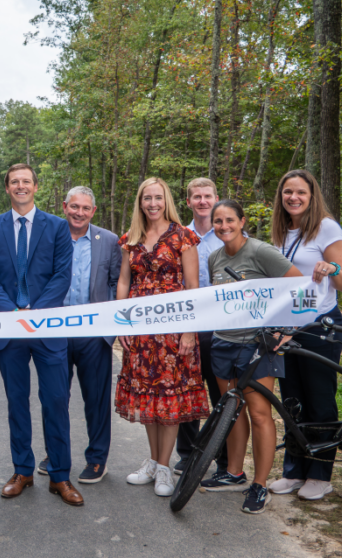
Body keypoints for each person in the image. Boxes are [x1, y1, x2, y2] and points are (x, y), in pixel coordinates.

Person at [0, 163, 82, 506]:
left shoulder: (56, 226)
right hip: (10, 330)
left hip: (47, 328)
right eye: (14, 182)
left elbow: (62, 276)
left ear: (36, 187)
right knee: (16, 403)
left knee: (55, 401)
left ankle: (60, 476)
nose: (20, 186)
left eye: (26, 181)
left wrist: (34, 314)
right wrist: (12, 314)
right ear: (7, 188)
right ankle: (22, 470)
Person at [197, 200, 304, 514]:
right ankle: (234, 473)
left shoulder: (260, 252)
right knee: (231, 409)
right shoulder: (215, 257)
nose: (223, 226)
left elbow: (299, 286)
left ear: (242, 221)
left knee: (259, 414)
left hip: (257, 346)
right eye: (218, 221)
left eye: (229, 219)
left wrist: (287, 329)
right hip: (223, 343)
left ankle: (260, 485)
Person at [117, 177, 209, 498]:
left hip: (174, 330)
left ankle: (165, 467)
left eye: (158, 197)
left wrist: (189, 330)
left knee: (168, 399)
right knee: (147, 397)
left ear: (165, 200)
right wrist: (121, 325)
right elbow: (123, 284)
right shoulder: (131, 239)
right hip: (141, 332)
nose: (152, 203)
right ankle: (154, 462)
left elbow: (194, 287)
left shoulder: (184, 236)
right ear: (140, 202)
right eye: (147, 198)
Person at [267, 170, 342, 501]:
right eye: (288, 192)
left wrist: (331, 269)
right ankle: (294, 470)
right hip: (287, 327)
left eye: (300, 192)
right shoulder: (281, 231)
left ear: (312, 195)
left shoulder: (326, 228)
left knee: (319, 399)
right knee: (292, 401)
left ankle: (320, 472)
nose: (293, 197)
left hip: (321, 326)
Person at [35, 186, 120, 484]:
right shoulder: (47, 237)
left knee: (96, 399)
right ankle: (54, 454)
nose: (79, 212)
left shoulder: (109, 241)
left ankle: (97, 460)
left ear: (93, 211)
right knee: (53, 398)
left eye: (85, 208)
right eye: (74, 207)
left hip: (93, 333)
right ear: (64, 206)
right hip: (54, 331)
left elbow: (116, 283)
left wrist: (111, 328)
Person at [174, 178, 228, 476]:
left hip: (223, 326)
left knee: (221, 393)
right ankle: (188, 453)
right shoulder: (180, 236)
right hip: (190, 325)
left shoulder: (229, 234)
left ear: (216, 198)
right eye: (197, 197)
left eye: (207, 196)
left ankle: (223, 456)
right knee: (188, 389)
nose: (203, 201)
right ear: (189, 202)